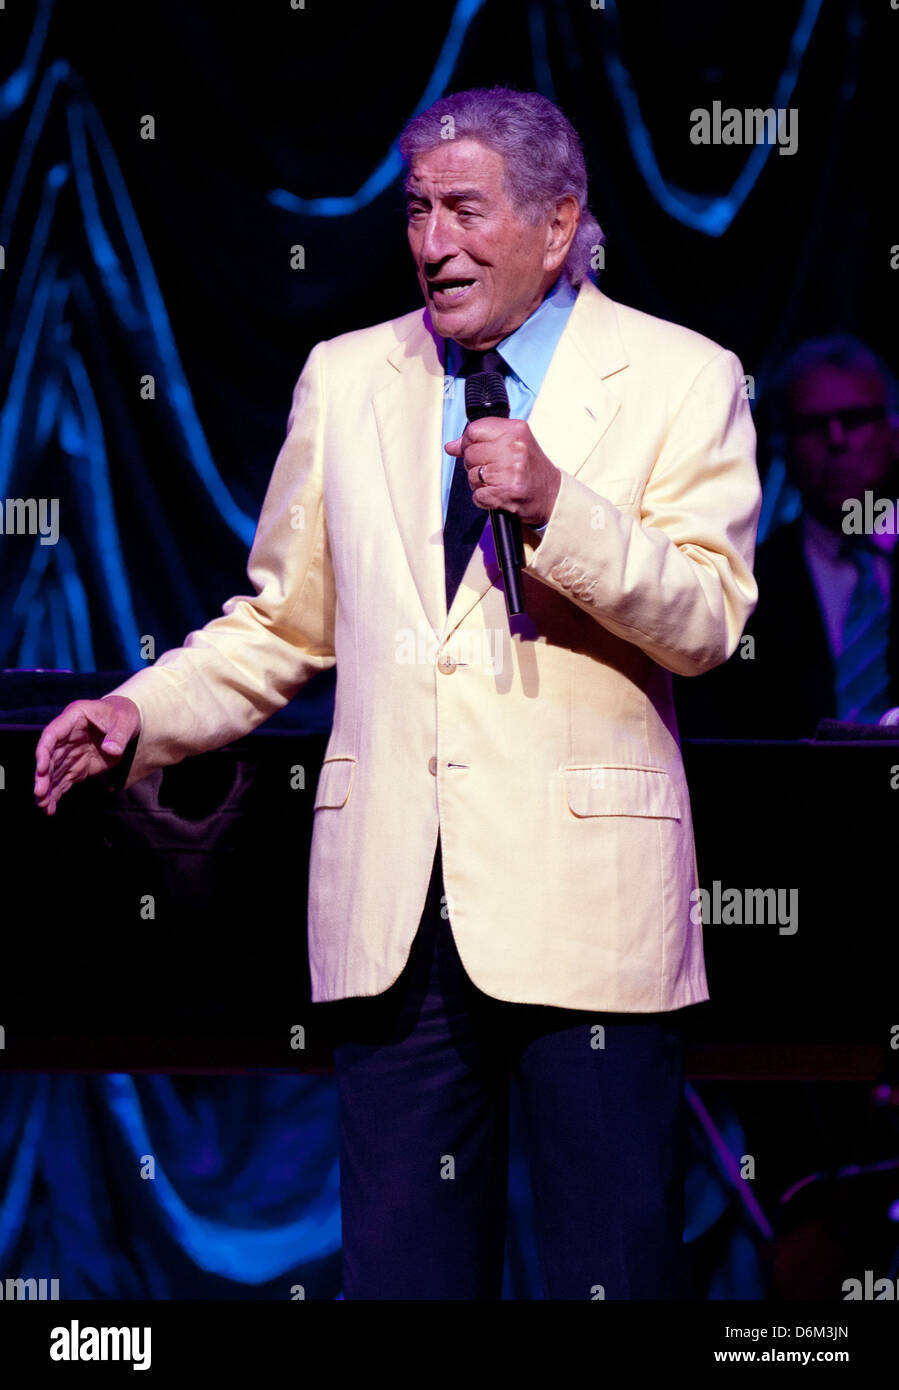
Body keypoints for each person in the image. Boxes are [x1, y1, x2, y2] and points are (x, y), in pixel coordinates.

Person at [33, 87, 760, 1299]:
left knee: (611, 1273)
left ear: (555, 218)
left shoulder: (681, 378)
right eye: (418, 212)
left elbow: (706, 622)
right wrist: (137, 713)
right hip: (393, 916)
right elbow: (279, 623)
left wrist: (556, 505)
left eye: (466, 212)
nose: (433, 244)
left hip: (586, 916)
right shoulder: (350, 375)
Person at [675, 335, 899, 738]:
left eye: (853, 419)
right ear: (783, 446)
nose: (836, 440)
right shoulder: (749, 581)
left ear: (893, 430)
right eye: (812, 426)